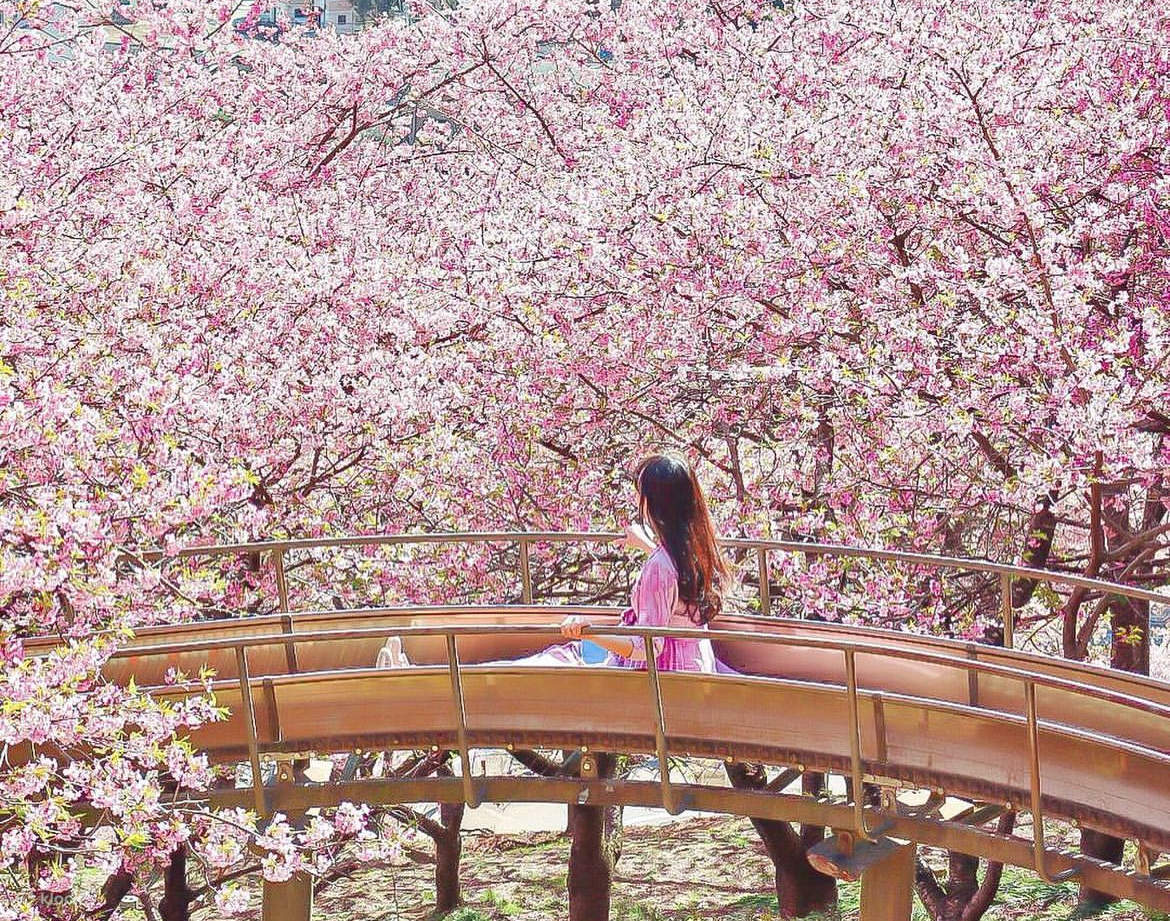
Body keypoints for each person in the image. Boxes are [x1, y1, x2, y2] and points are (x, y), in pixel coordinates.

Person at [376, 454, 730, 673]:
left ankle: (422, 682)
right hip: (692, 664)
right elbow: (671, 590)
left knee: (549, 663)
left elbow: (646, 648)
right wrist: (648, 546)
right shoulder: (697, 549)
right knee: (564, 653)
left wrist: (590, 628)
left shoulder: (660, 567)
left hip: (657, 677)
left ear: (655, 504)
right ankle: (421, 676)